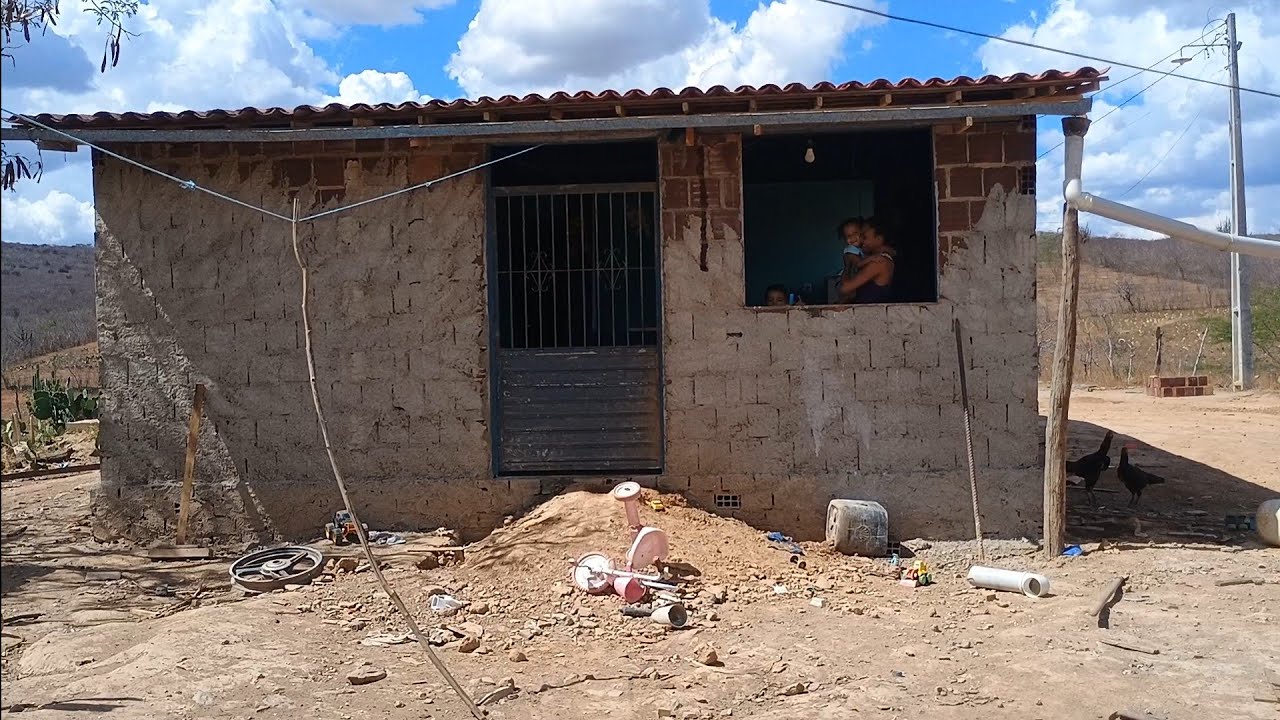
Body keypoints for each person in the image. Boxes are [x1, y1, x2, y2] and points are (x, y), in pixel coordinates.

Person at [836, 217, 895, 303]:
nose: (861, 240)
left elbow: (844, 289)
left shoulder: (879, 262)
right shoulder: (878, 257)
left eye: (864, 237)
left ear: (878, 239)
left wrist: (847, 266)